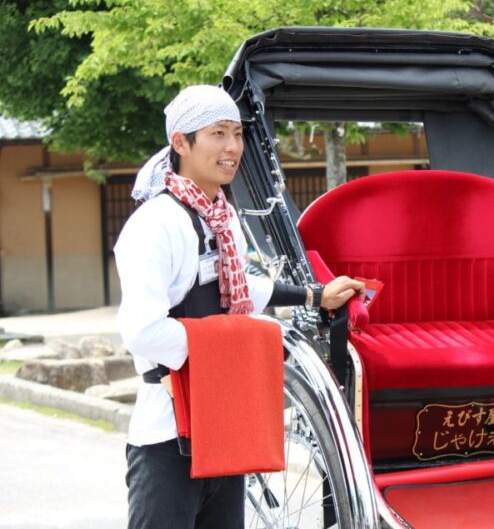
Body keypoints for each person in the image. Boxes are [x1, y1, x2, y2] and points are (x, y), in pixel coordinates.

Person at [115, 84, 364, 528]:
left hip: (223, 420)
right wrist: (237, 345)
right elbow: (143, 331)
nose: (232, 147)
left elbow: (237, 287)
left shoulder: (220, 215)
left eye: (237, 134)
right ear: (180, 143)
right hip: (169, 433)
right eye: (217, 134)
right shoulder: (156, 224)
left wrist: (312, 295)